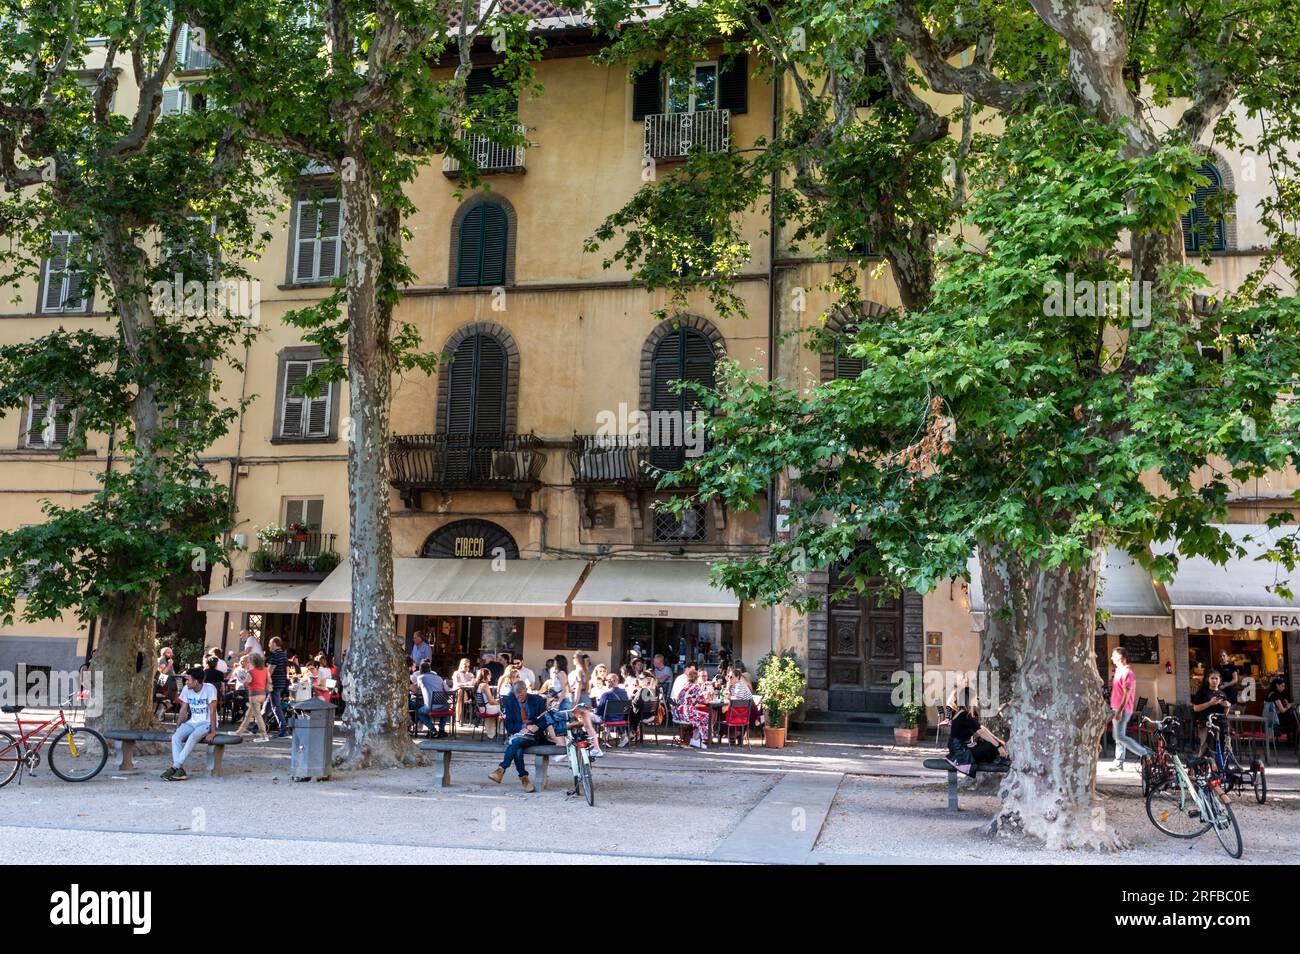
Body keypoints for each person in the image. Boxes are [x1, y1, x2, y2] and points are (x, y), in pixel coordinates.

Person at [489, 681, 560, 793]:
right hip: (518, 733)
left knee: (516, 743)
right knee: (518, 748)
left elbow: (545, 721)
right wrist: (521, 728)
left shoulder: (537, 700)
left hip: (534, 736)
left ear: (526, 690)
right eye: (517, 696)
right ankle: (524, 777)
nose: (519, 698)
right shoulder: (510, 700)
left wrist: (536, 726)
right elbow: (509, 724)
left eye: (521, 696)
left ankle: (502, 768)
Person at [163, 669, 218, 781]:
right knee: (176, 737)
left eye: (188, 680)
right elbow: (183, 710)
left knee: (193, 737)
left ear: (196, 681)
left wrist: (213, 731)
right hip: (192, 722)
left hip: (206, 723)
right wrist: (177, 730)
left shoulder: (210, 688)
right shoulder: (186, 689)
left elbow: (212, 711)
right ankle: (180, 770)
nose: (186, 682)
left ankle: (175, 767)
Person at [945, 687, 1008, 776]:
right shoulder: (964, 715)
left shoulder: (964, 713)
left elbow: (982, 729)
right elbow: (981, 732)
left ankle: (1000, 757)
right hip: (961, 752)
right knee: (990, 746)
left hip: (962, 749)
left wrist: (998, 742)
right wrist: (998, 746)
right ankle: (1002, 760)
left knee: (990, 742)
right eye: (976, 697)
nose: (978, 699)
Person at [1107, 646, 1149, 772]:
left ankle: (1144, 753)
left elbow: (1127, 694)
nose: (1111, 657)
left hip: (1122, 710)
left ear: (1120, 657)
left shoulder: (1127, 672)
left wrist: (1119, 712)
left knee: (1119, 737)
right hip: (1116, 708)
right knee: (1119, 737)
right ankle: (1119, 762)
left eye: (1113, 655)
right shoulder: (1118, 671)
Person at [233, 653, 272, 741]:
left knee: (258, 716)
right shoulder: (265, 670)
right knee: (248, 715)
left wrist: (249, 683)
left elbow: (246, 683)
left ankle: (264, 736)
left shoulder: (251, 672)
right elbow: (269, 681)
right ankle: (239, 732)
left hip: (254, 694)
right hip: (263, 694)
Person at [1191, 669, 1232, 754]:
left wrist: (1227, 707)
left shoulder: (1222, 694)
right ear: (1208, 679)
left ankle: (1220, 766)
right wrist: (1210, 703)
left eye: (1216, 678)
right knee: (1205, 748)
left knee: (1222, 747)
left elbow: (1224, 714)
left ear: (1220, 680)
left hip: (1220, 725)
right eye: (1212, 678)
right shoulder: (1202, 692)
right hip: (1205, 723)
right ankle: (1203, 765)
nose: (1214, 680)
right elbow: (1195, 708)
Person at [674, 666, 710, 750]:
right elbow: (703, 701)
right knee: (706, 716)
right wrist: (708, 698)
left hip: (678, 713)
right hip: (686, 713)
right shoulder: (696, 687)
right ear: (697, 678)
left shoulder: (685, 685)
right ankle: (699, 740)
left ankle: (695, 738)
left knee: (701, 715)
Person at [263, 637, 291, 738]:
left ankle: (283, 729)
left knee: (275, 707)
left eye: (270, 643)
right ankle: (257, 727)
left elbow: (270, 671)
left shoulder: (275, 656)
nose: (269, 645)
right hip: (281, 683)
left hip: (274, 684)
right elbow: (287, 669)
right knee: (267, 706)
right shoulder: (284, 655)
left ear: (275, 644)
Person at [415, 661, 451, 738]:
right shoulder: (439, 677)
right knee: (445, 709)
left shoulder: (420, 678)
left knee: (419, 712)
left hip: (431, 707)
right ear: (430, 669)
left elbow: (417, 689)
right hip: (444, 706)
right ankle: (441, 730)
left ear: (420, 670)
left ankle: (432, 729)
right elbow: (448, 690)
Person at [596, 673, 631, 747]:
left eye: (607, 680)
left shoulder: (606, 695)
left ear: (613, 681)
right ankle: (620, 737)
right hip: (621, 718)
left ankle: (595, 741)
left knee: (589, 716)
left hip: (608, 719)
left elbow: (599, 711)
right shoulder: (624, 693)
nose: (605, 682)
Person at [1265, 676, 1295, 744]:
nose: (1283, 688)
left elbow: (1275, 708)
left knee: (1292, 717)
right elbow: (1282, 710)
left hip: (1269, 718)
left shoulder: (1269, 693)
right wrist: (1288, 706)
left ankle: (1291, 740)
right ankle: (1292, 741)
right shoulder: (1275, 695)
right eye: (1282, 686)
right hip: (1276, 720)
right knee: (1294, 718)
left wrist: (1284, 704)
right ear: (1277, 685)